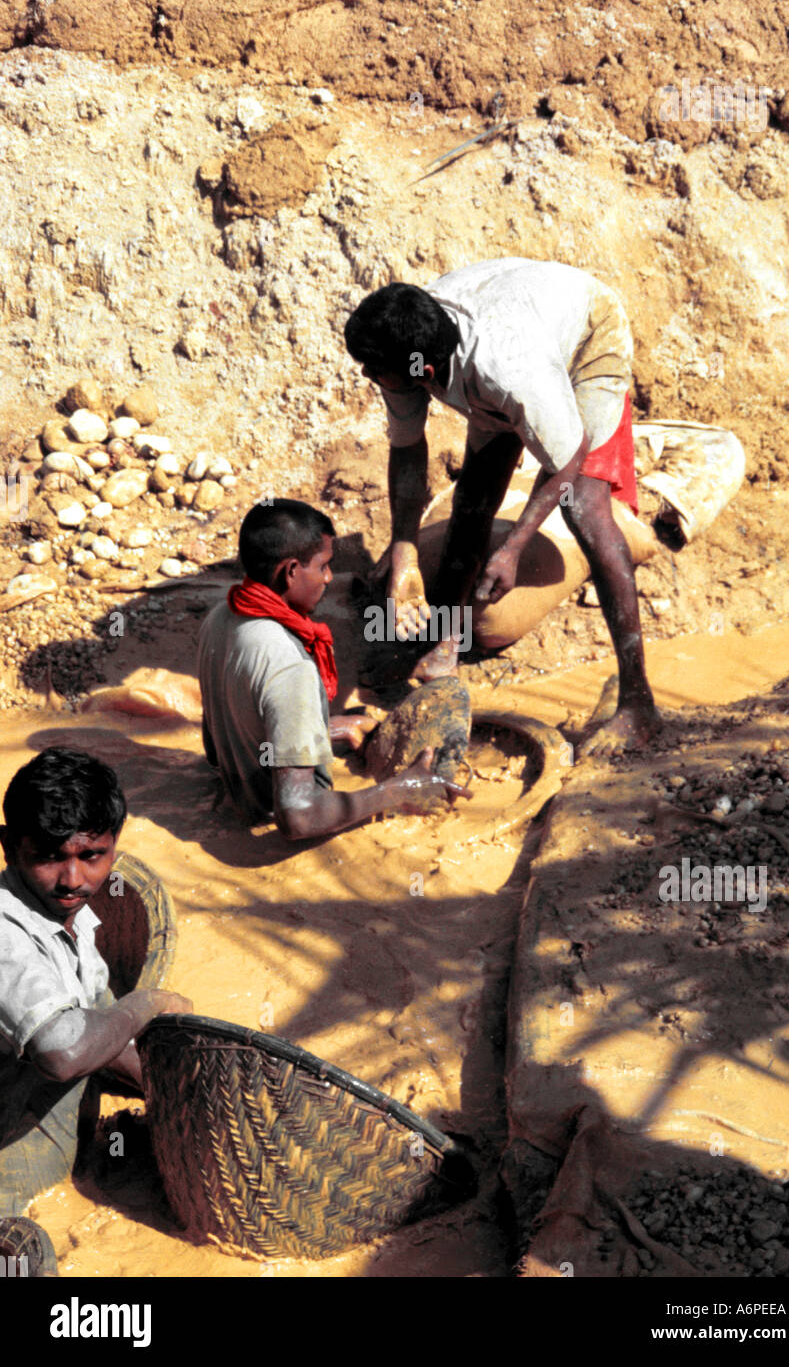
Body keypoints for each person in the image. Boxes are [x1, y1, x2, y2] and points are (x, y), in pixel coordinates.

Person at [344, 257, 662, 749]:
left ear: (422, 372)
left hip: (588, 336)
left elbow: (569, 455)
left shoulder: (506, 370)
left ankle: (638, 702)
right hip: (520, 326)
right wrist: (404, 548)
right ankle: (442, 645)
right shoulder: (405, 344)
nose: (367, 374)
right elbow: (407, 451)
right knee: (471, 502)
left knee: (585, 510)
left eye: (373, 369)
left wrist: (514, 547)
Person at [198, 498, 470, 841]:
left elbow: (218, 745)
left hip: (236, 799)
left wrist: (330, 729)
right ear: (292, 570)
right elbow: (298, 817)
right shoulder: (290, 666)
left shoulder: (220, 618)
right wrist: (401, 789)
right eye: (324, 566)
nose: (329, 578)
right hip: (273, 819)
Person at [0, 749, 192, 1216]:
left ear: (114, 844)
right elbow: (63, 1052)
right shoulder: (5, 933)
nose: (72, 879)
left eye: (91, 856)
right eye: (47, 857)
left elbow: (106, 1037)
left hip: (55, 1151)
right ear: (8, 846)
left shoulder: (73, 919)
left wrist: (181, 1100)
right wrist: (146, 1004)